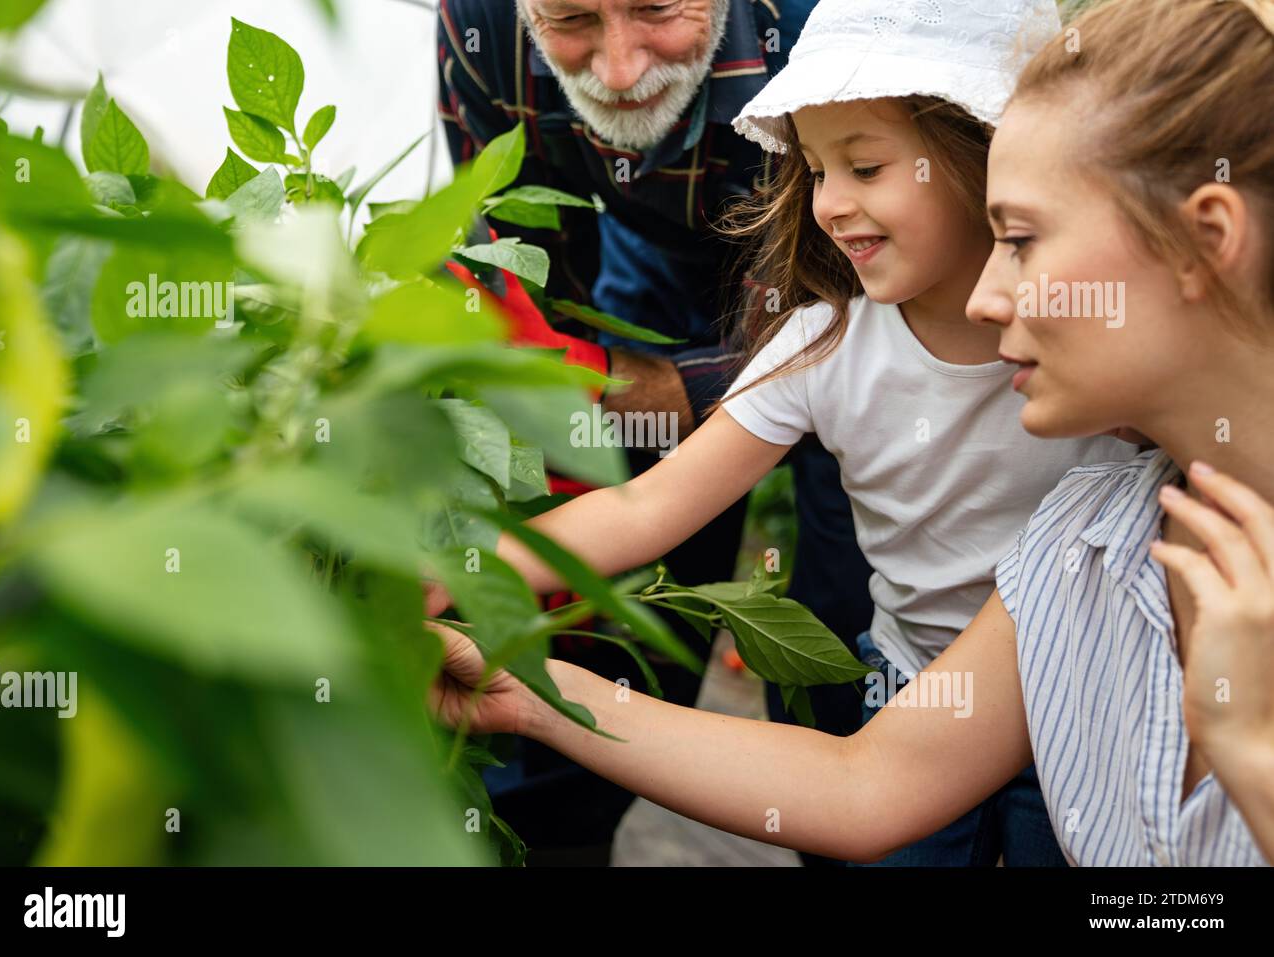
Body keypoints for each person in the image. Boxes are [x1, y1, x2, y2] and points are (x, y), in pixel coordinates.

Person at [425, 0, 1274, 867]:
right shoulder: (1086, 536)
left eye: (1018, 236)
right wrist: (501, 637)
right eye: (816, 173)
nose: (830, 205)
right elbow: (868, 782)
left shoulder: (1116, 476)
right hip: (911, 679)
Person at [437, 0, 878, 863]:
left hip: (848, 281)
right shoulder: (481, 25)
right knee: (627, 613)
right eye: (570, 21)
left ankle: (848, 812)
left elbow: (885, 280)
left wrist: (680, 387)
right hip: (647, 259)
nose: (619, 68)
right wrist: (561, 389)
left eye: (657, 11)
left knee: (849, 616)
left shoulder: (828, 21)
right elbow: (522, 260)